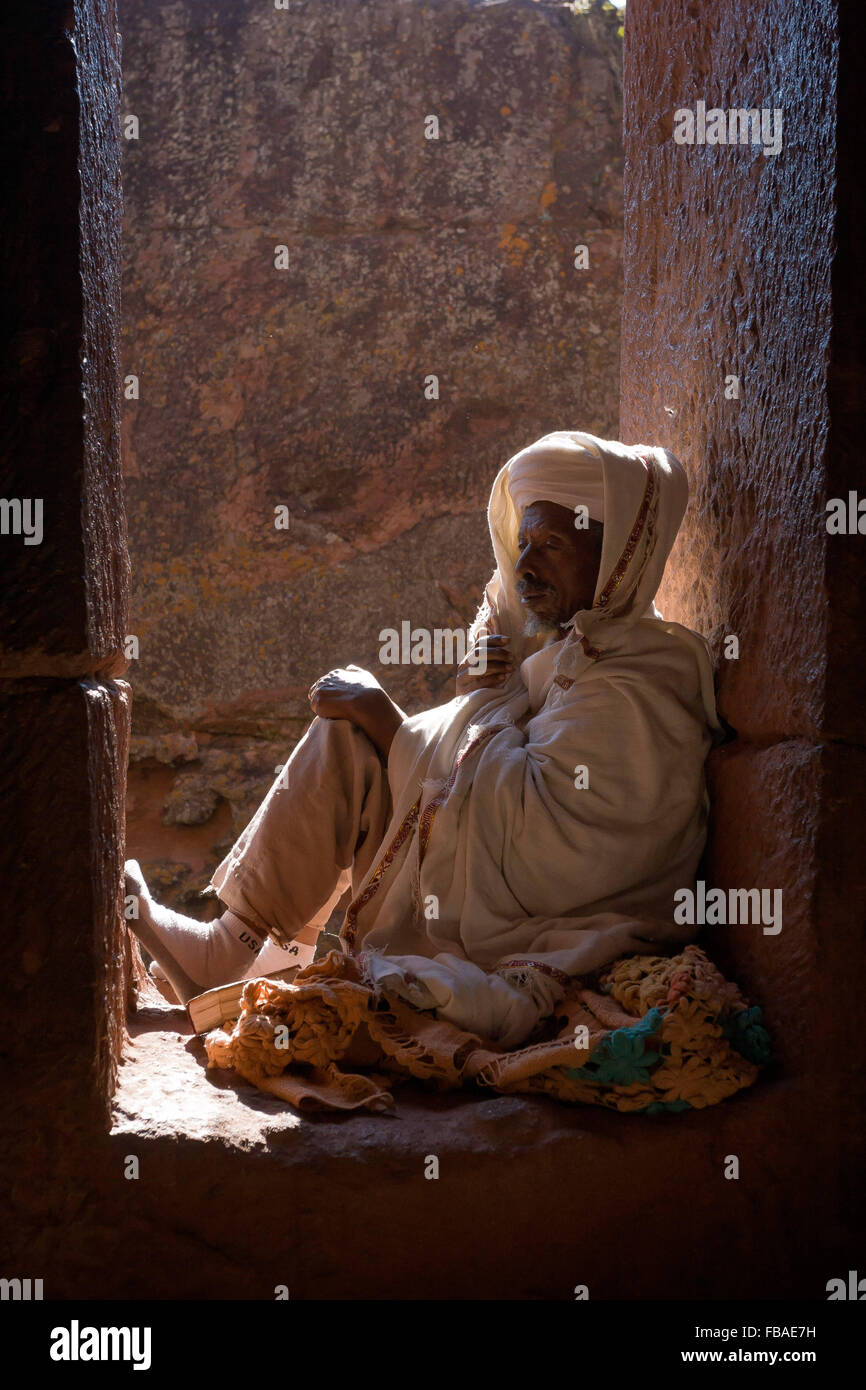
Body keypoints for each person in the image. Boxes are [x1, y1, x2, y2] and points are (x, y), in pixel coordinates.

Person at [125, 431, 721, 1048]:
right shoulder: (559, 654)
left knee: (371, 730)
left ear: (620, 554)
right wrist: (479, 695)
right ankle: (236, 945)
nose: (525, 568)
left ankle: (248, 957)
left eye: (553, 545)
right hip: (485, 877)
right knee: (346, 740)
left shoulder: (638, 682)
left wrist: (393, 720)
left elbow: (549, 854)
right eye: (523, 545)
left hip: (538, 920)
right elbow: (489, 779)